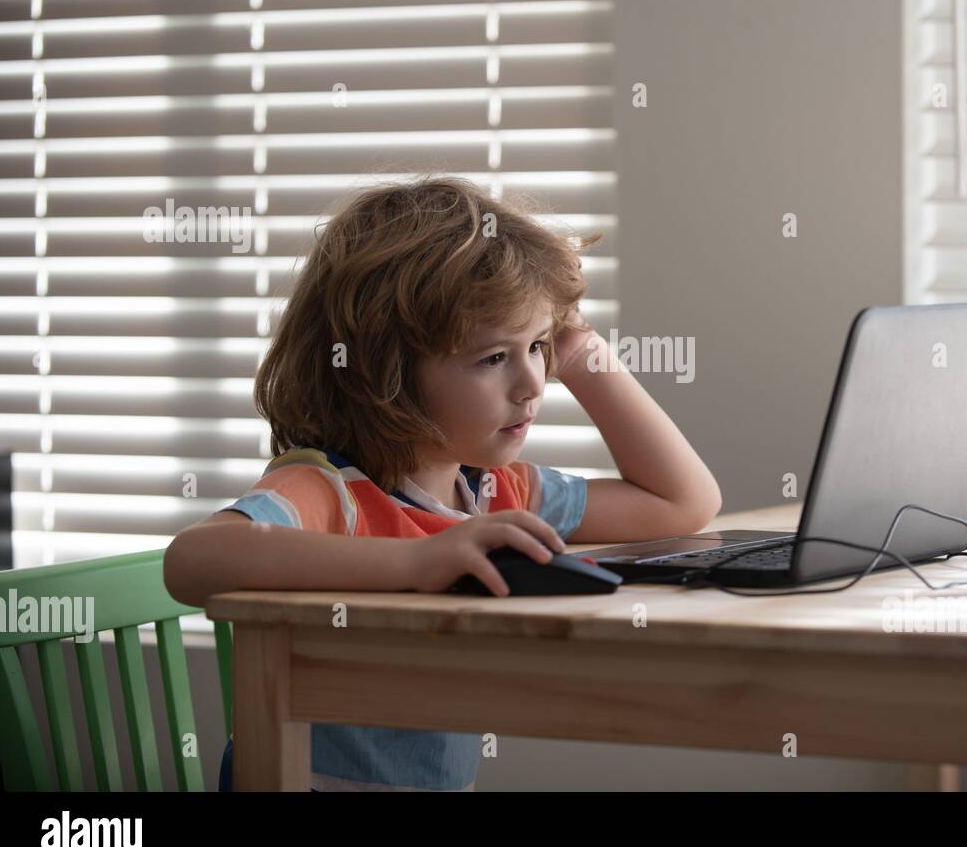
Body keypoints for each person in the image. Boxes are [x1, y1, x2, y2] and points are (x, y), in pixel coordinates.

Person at [163, 175, 722, 791]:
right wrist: (418, 559)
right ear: (386, 373)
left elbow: (684, 501)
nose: (534, 382)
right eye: (493, 358)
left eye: (538, 347)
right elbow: (193, 560)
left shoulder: (493, 491)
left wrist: (580, 346)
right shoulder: (331, 490)